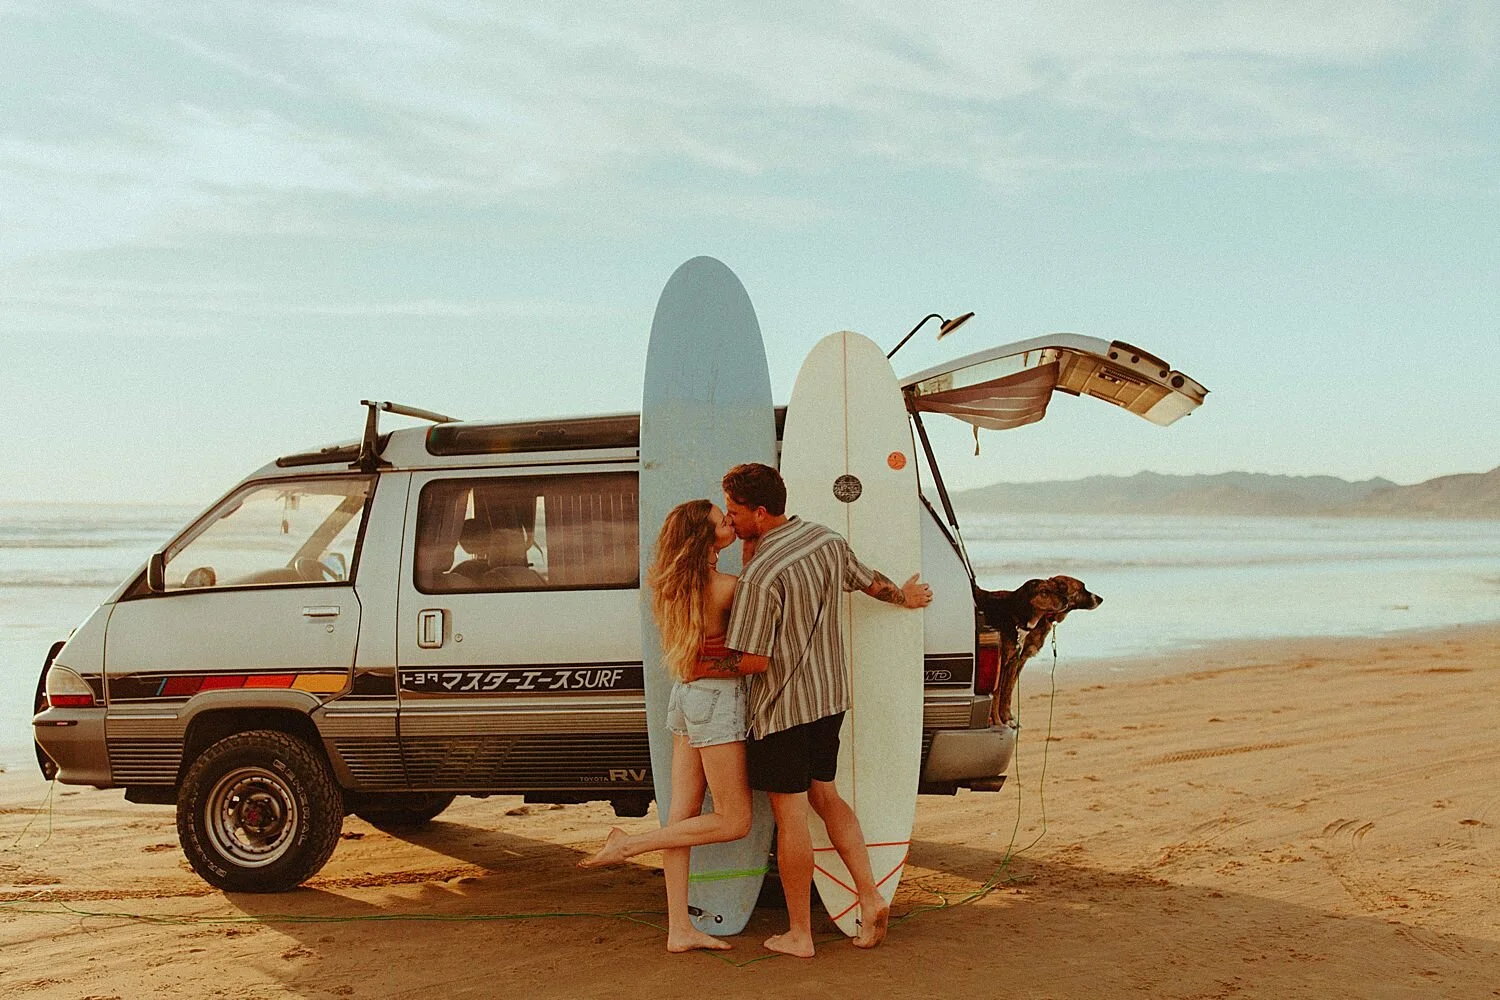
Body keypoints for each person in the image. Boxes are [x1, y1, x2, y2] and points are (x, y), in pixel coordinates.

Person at [706, 462, 931, 957]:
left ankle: (800, 935)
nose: (730, 518)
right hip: (828, 700)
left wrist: (701, 664)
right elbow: (871, 583)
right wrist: (907, 599)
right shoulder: (825, 540)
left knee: (791, 819)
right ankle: (869, 897)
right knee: (826, 798)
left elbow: (754, 660)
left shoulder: (761, 577)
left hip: (781, 711)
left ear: (760, 512)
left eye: (736, 512)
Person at [577, 499, 758, 954]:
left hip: (684, 698)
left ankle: (679, 927)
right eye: (722, 521)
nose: (730, 522)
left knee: (683, 816)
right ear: (705, 537)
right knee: (735, 820)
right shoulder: (726, 587)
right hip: (715, 701)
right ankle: (630, 844)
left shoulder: (667, 584)